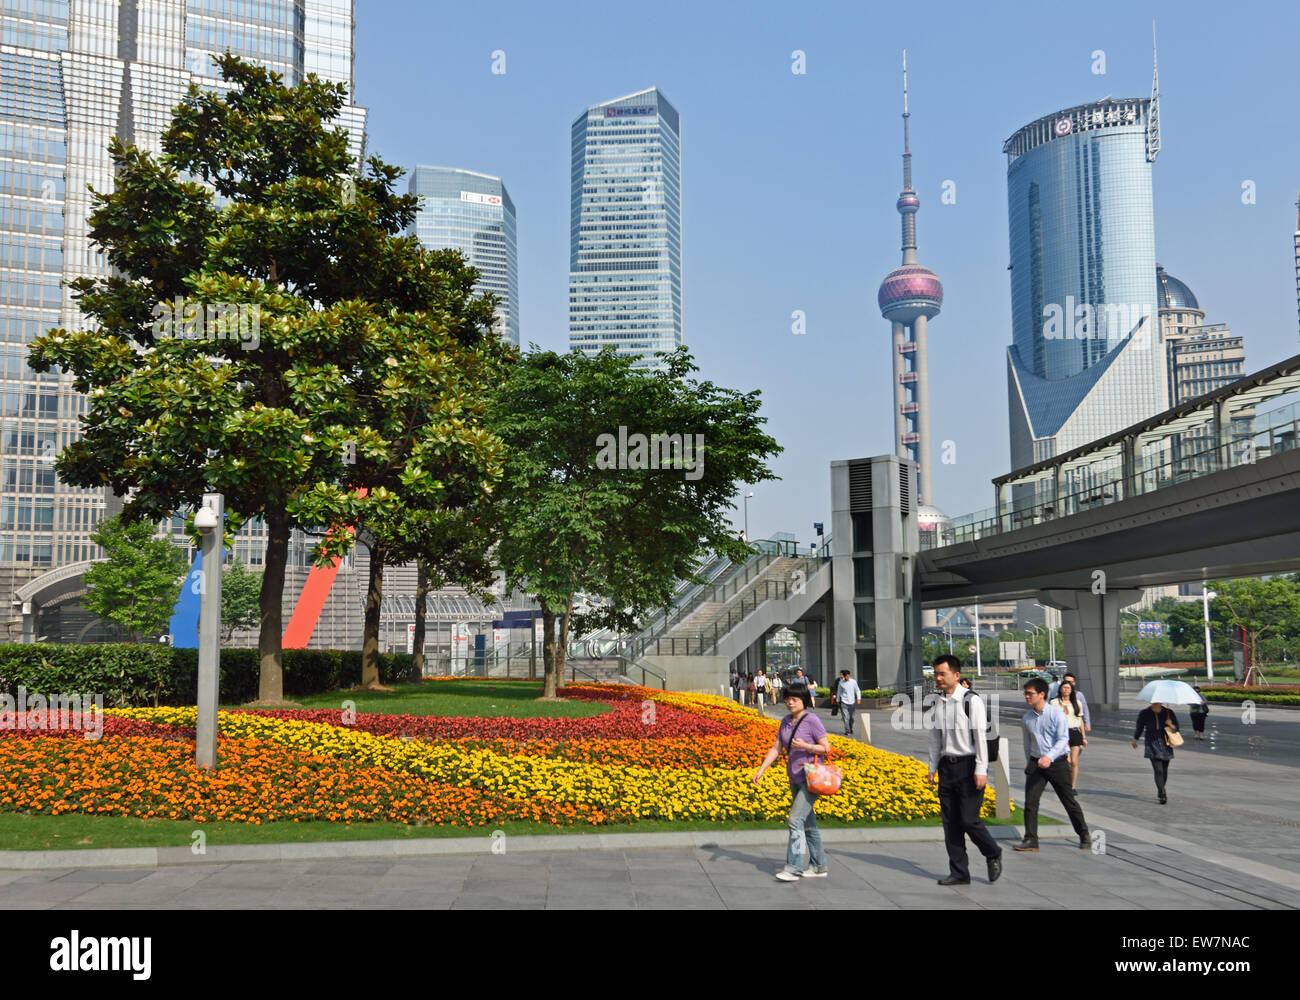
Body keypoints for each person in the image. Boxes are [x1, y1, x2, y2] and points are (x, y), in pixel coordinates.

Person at [927, 655, 1003, 885]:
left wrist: (981, 769)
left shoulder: (971, 701)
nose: (938, 678)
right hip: (946, 768)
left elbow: (980, 736)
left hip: (968, 767)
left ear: (956, 675)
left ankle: (993, 852)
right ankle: (960, 872)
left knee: (969, 820)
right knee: (950, 823)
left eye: (942, 674)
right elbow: (935, 737)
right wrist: (932, 767)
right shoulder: (938, 703)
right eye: (936, 674)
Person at [753, 685, 830, 881]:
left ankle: (794, 867)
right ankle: (819, 866)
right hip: (794, 778)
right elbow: (776, 748)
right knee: (808, 824)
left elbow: (826, 748)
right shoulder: (786, 721)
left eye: (794, 699)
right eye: (787, 699)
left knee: (795, 821)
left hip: (810, 779)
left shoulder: (811, 720)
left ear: (804, 700)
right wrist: (761, 769)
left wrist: (806, 746)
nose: (790, 702)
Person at [1015, 677, 1090, 852]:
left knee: (1068, 800)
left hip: (1057, 763)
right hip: (1036, 765)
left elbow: (1064, 739)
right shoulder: (1026, 718)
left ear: (1042, 694)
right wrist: (1030, 762)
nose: (1026, 697)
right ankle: (1031, 839)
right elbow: (1027, 744)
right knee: (1030, 803)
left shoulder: (1056, 714)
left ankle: (1084, 833)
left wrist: (1049, 757)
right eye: (1025, 693)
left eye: (1030, 693)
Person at [1132, 701, 1179, 803]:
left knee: (1164, 770)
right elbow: (1139, 727)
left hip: (1166, 744)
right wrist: (1135, 739)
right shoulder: (1145, 713)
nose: (1156, 703)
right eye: (1154, 701)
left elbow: (1177, 728)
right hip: (1151, 743)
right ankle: (1162, 792)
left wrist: (1171, 724)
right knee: (1158, 770)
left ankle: (1160, 788)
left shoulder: (1168, 712)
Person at [1051, 679, 1088, 791]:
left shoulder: (1077, 703)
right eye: (1064, 687)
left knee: (1074, 761)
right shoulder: (1054, 703)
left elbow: (1080, 719)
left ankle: (1073, 786)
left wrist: (1084, 737)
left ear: (1072, 690)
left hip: (1075, 732)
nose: (1066, 690)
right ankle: (1065, 784)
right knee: (1066, 761)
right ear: (1060, 689)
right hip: (1062, 733)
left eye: (1068, 688)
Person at [1049, 672, 1092, 737]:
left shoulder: (1079, 695)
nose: (1068, 684)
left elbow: (1085, 710)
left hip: (1075, 728)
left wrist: (1087, 723)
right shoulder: (1056, 698)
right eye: (1066, 681)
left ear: (1074, 683)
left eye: (1071, 682)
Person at [835, 669, 861, 738]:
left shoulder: (853, 682)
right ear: (843, 676)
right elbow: (839, 691)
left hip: (852, 702)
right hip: (844, 702)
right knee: (846, 717)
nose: (847, 677)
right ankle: (847, 730)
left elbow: (857, 690)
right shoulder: (841, 682)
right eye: (846, 676)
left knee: (851, 718)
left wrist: (858, 698)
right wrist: (837, 700)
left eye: (848, 675)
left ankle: (850, 728)